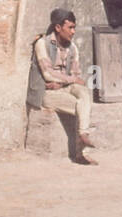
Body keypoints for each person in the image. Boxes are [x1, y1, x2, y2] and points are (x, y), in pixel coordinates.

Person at [26, 8, 98, 164]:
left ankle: (83, 134)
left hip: (62, 87)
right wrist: (69, 79)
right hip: (46, 93)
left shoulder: (73, 48)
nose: (73, 32)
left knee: (84, 93)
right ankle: (81, 153)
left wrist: (63, 82)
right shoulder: (42, 44)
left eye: (74, 27)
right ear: (58, 28)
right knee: (81, 106)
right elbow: (47, 74)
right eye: (70, 27)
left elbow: (77, 75)